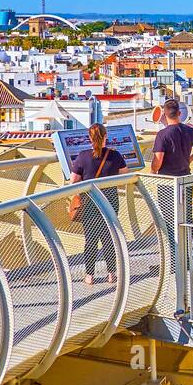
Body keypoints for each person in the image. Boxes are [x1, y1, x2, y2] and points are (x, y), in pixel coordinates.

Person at [69, 122, 127, 285]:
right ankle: (111, 274)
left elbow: (74, 181)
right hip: (110, 200)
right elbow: (124, 175)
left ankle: (89, 275)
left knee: (91, 238)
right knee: (109, 237)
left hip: (90, 202)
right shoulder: (115, 155)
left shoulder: (82, 156)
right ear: (105, 136)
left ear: (90, 138)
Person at [152, 98, 193, 228]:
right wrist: (191, 158)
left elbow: (158, 160)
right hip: (186, 179)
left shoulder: (162, 135)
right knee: (187, 216)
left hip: (168, 182)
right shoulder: (189, 131)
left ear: (164, 115)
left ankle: (173, 247)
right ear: (179, 113)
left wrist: (152, 171)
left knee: (168, 218)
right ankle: (187, 245)